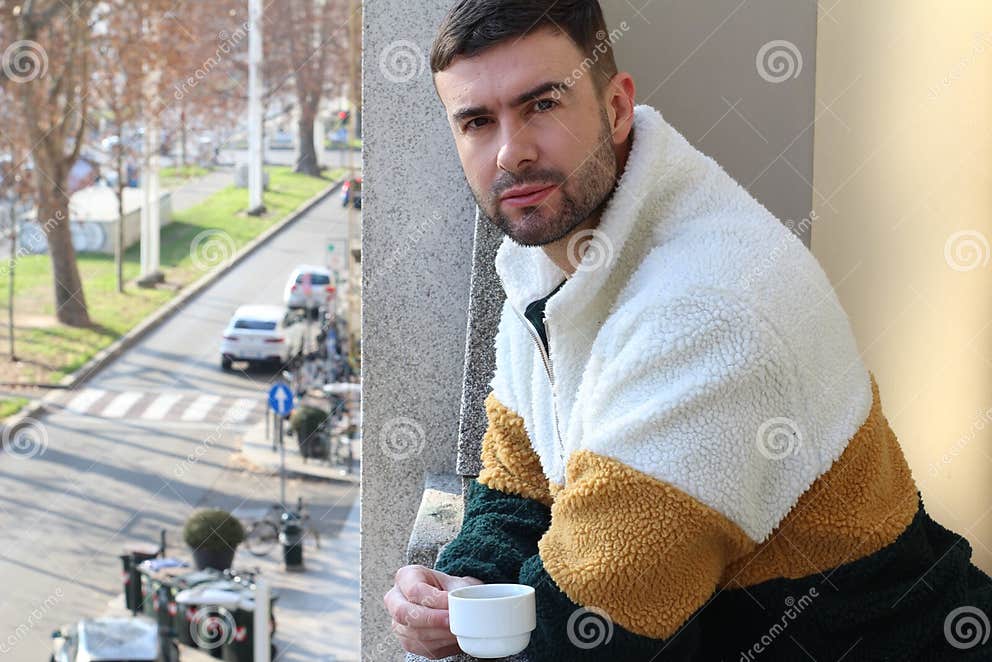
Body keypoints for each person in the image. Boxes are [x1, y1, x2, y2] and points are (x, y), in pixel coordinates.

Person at [384, 1, 992, 660]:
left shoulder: (705, 310)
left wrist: (475, 623)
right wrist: (459, 584)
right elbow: (515, 480)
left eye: (543, 105)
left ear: (616, 108)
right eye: (477, 121)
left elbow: (594, 628)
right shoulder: (545, 263)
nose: (511, 152)